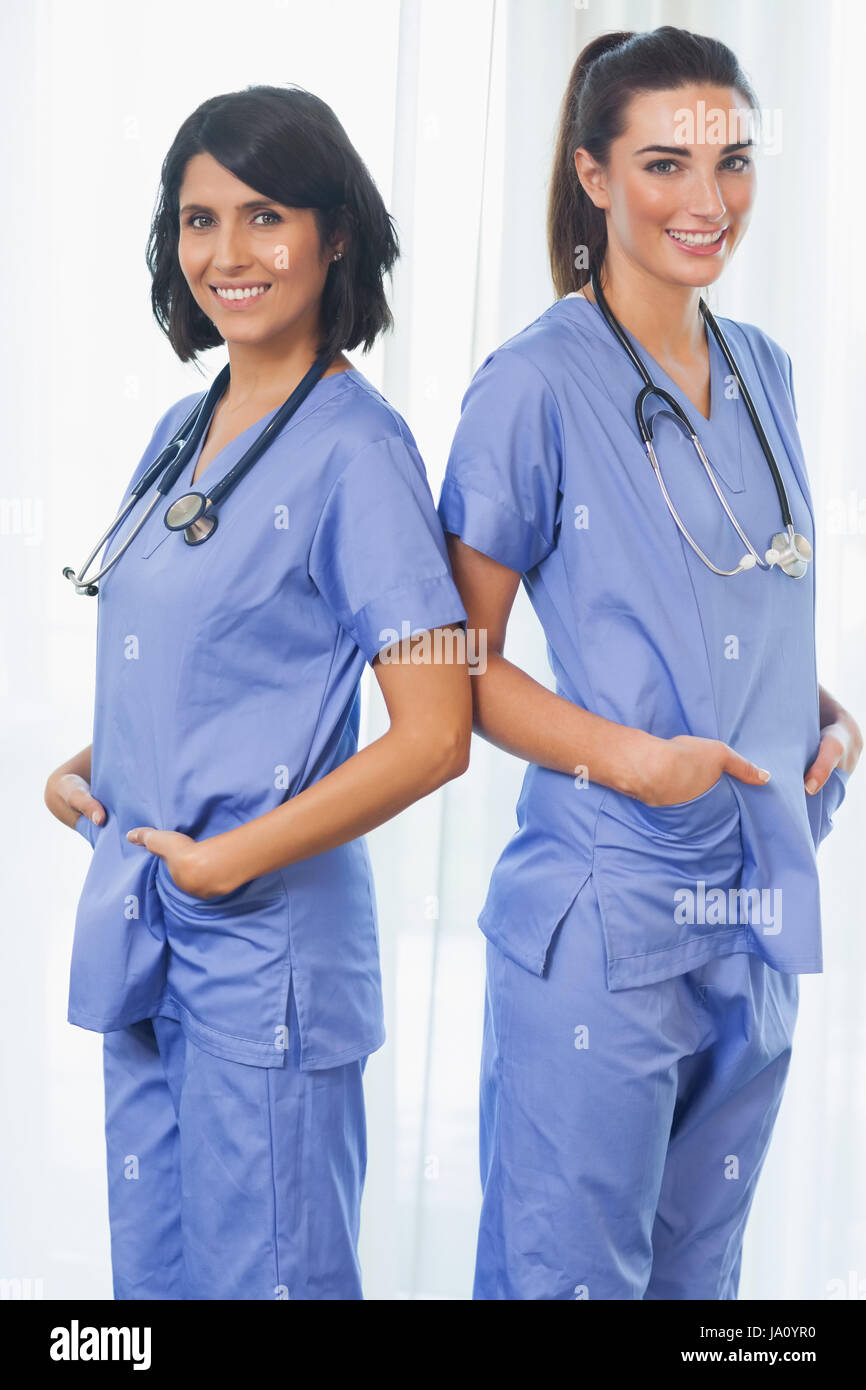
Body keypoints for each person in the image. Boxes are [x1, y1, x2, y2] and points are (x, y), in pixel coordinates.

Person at [437, 27, 861, 1300]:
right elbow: (453, 661)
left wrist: (818, 711)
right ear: (592, 175)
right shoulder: (530, 384)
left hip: (748, 904)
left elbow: (740, 584)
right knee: (569, 1283)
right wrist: (632, 759)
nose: (705, 199)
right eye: (664, 163)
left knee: (701, 1296)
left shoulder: (765, 370)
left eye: (731, 162)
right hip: (603, 914)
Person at [45, 83, 471, 1301]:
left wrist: (232, 860)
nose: (225, 255)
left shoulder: (360, 451)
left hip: (262, 958)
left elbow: (437, 734)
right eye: (196, 220)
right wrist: (95, 760)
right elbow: (214, 659)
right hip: (148, 932)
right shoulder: (186, 432)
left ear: (334, 235)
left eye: (264, 214)